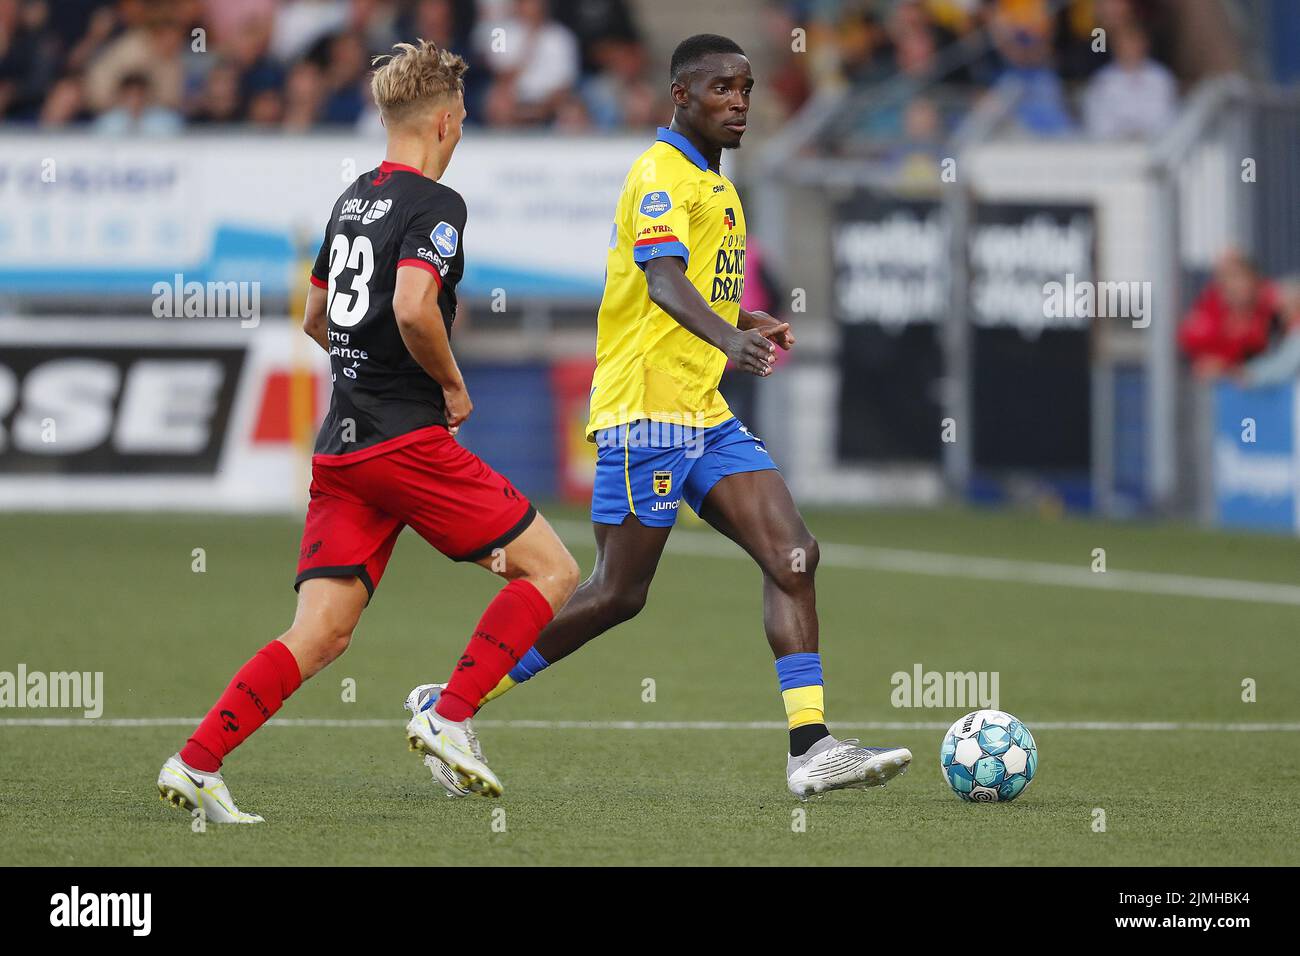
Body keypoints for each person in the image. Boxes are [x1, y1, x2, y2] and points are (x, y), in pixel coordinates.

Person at [408, 34, 913, 800]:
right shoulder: (658, 173)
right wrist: (729, 335)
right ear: (682, 96)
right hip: (648, 409)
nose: (739, 101)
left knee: (794, 555)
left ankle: (812, 748)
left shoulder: (717, 186)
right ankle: (450, 705)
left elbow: (695, 288)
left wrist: (745, 315)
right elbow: (663, 281)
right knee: (617, 592)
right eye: (721, 89)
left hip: (701, 410)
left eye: (745, 88)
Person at [157, 40, 579, 822]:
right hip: (407, 444)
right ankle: (449, 712)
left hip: (342, 447)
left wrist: (364, 373)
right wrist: (449, 385)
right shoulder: (435, 205)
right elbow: (416, 306)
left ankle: (197, 761)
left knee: (318, 632)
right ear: (448, 122)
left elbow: (317, 316)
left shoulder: (353, 197)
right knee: (551, 570)